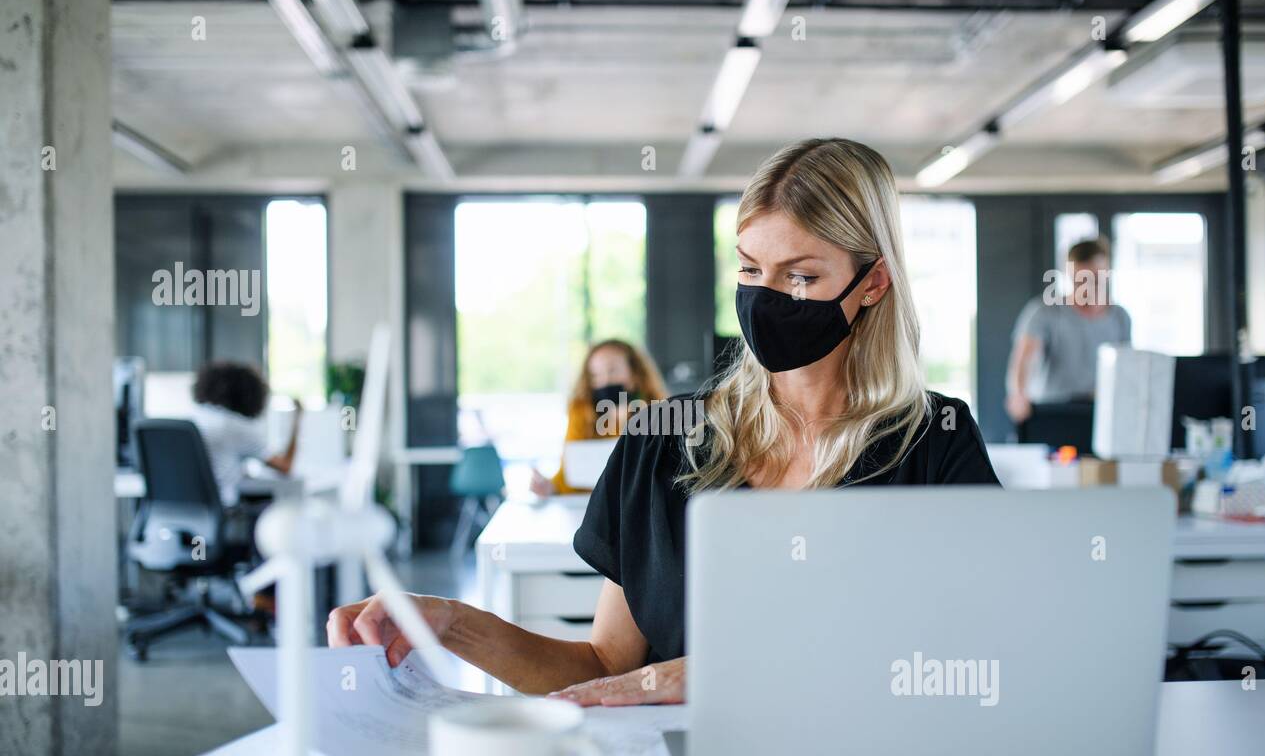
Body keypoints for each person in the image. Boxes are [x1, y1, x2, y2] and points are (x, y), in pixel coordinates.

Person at [327, 137, 999, 705]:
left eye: (800, 277)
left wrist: (713, 679)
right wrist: (448, 624)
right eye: (750, 268)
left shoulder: (934, 445)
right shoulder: (663, 437)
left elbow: (962, 666)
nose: (766, 298)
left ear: (873, 283)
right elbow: (603, 668)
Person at [1005, 237, 1132, 425]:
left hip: (1102, 414)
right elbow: (1024, 358)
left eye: (1095, 279)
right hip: (1053, 413)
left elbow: (1126, 367)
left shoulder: (1120, 317)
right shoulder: (1046, 311)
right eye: (1081, 280)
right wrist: (1019, 394)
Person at [529, 339, 668, 497]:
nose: (604, 381)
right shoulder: (581, 411)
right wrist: (549, 488)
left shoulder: (658, 412)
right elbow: (569, 475)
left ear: (635, 375)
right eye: (596, 375)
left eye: (612, 371)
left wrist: (623, 422)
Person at [190, 361, 301, 507]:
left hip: (180, 511)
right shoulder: (233, 425)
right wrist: (297, 421)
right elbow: (285, 466)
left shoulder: (196, 415)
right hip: (222, 510)